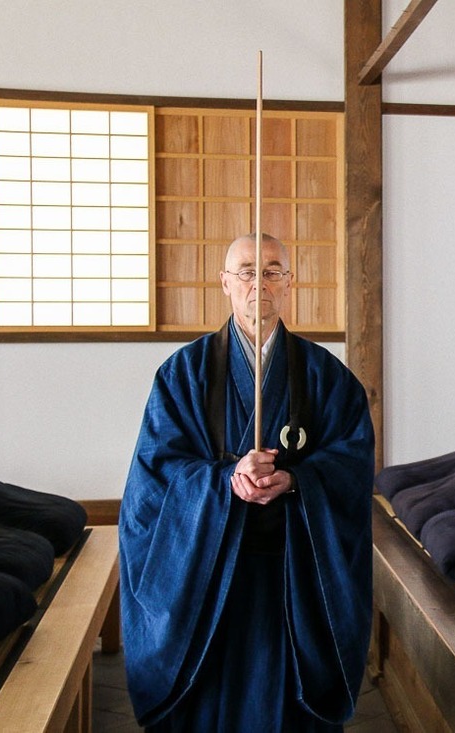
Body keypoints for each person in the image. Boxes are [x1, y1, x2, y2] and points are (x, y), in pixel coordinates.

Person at [119, 233, 375, 731]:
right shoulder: (182, 375)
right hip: (206, 570)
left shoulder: (327, 377)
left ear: (290, 283)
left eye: (274, 270)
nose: (261, 282)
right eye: (247, 271)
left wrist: (298, 480)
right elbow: (156, 473)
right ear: (225, 283)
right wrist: (224, 481)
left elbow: (351, 464)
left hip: (291, 570)